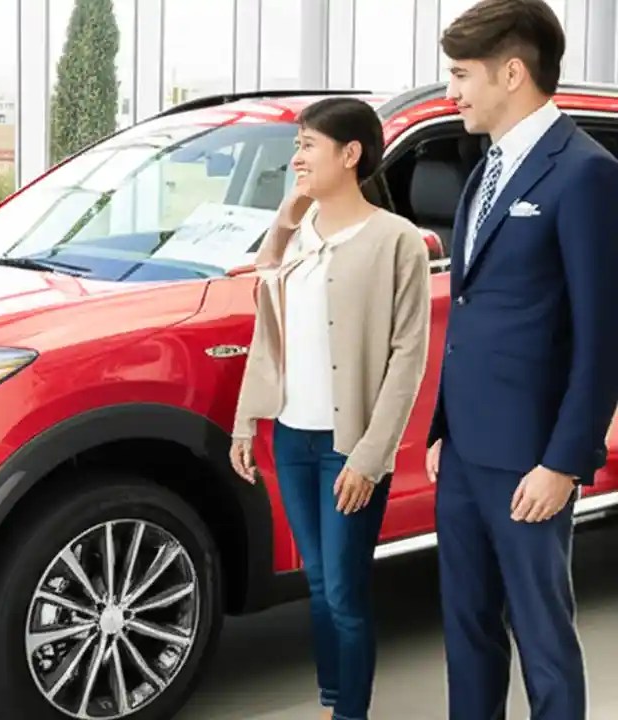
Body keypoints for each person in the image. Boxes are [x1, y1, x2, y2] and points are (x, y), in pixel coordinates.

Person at [426, 1, 618, 717]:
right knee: (467, 631)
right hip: (465, 452)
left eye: (461, 75)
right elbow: (473, 310)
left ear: (513, 71)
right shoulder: (484, 170)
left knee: (542, 638)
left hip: (531, 457)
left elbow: (602, 335)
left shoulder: (586, 174)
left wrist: (563, 463)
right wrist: (443, 426)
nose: (452, 92)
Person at [230, 97, 432, 720]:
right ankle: (331, 701)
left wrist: (370, 459)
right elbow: (269, 331)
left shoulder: (396, 241)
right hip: (294, 441)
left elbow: (408, 360)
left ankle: (351, 713)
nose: (296, 158)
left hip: (351, 450)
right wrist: (246, 420)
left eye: (308, 145)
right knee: (318, 586)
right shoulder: (297, 237)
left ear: (350, 154)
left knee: (345, 592)